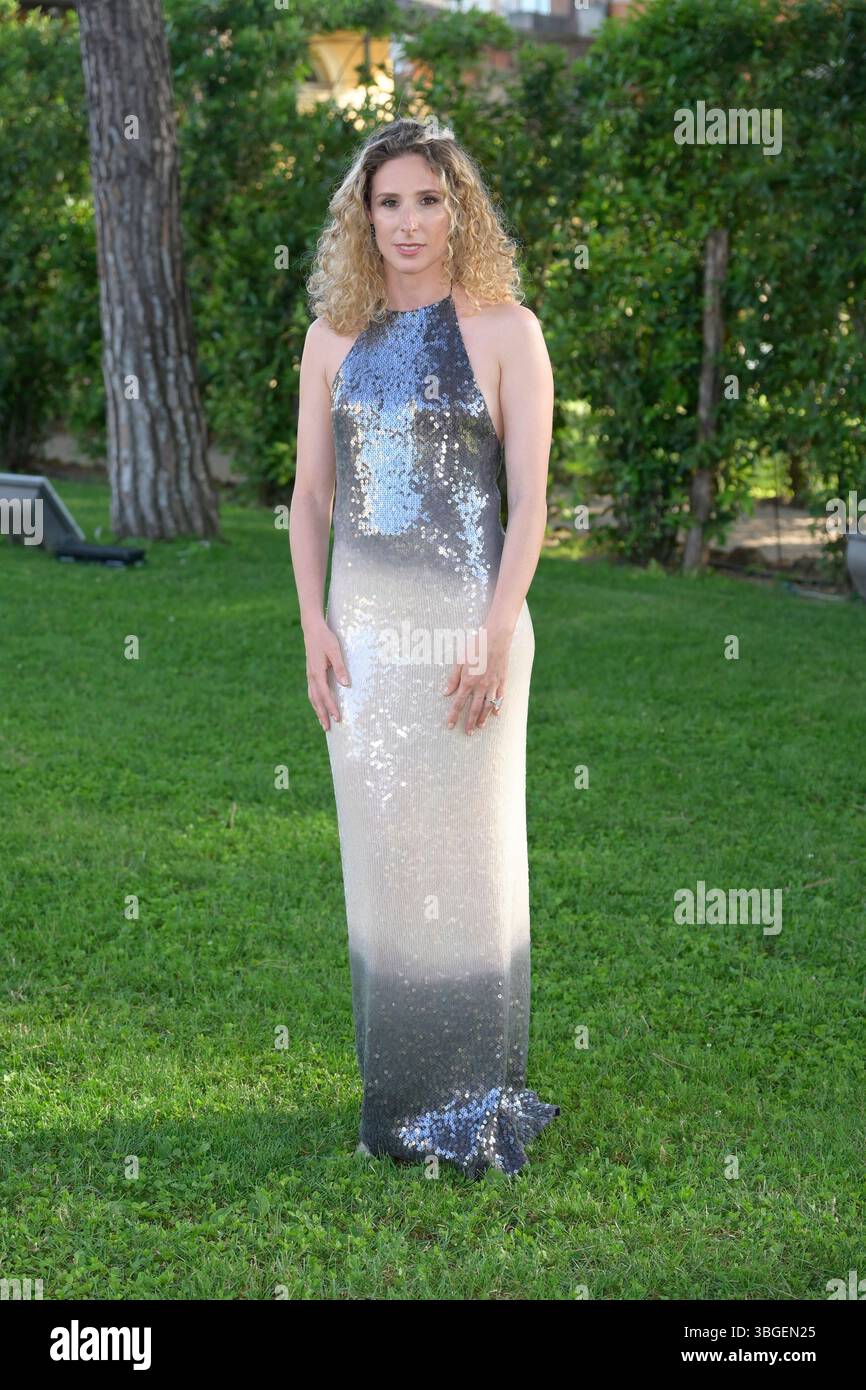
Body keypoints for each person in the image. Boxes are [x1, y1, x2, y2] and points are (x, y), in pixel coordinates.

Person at [289, 117, 558, 1178]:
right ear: (363, 214)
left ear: (460, 211)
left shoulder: (504, 329)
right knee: (388, 860)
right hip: (364, 639)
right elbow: (309, 497)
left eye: (428, 201)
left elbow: (531, 499)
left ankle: (472, 1102)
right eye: (387, 201)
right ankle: (397, 1102)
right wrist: (310, 621)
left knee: (472, 855)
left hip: (469, 630)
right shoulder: (330, 336)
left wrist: (495, 629)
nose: (407, 223)